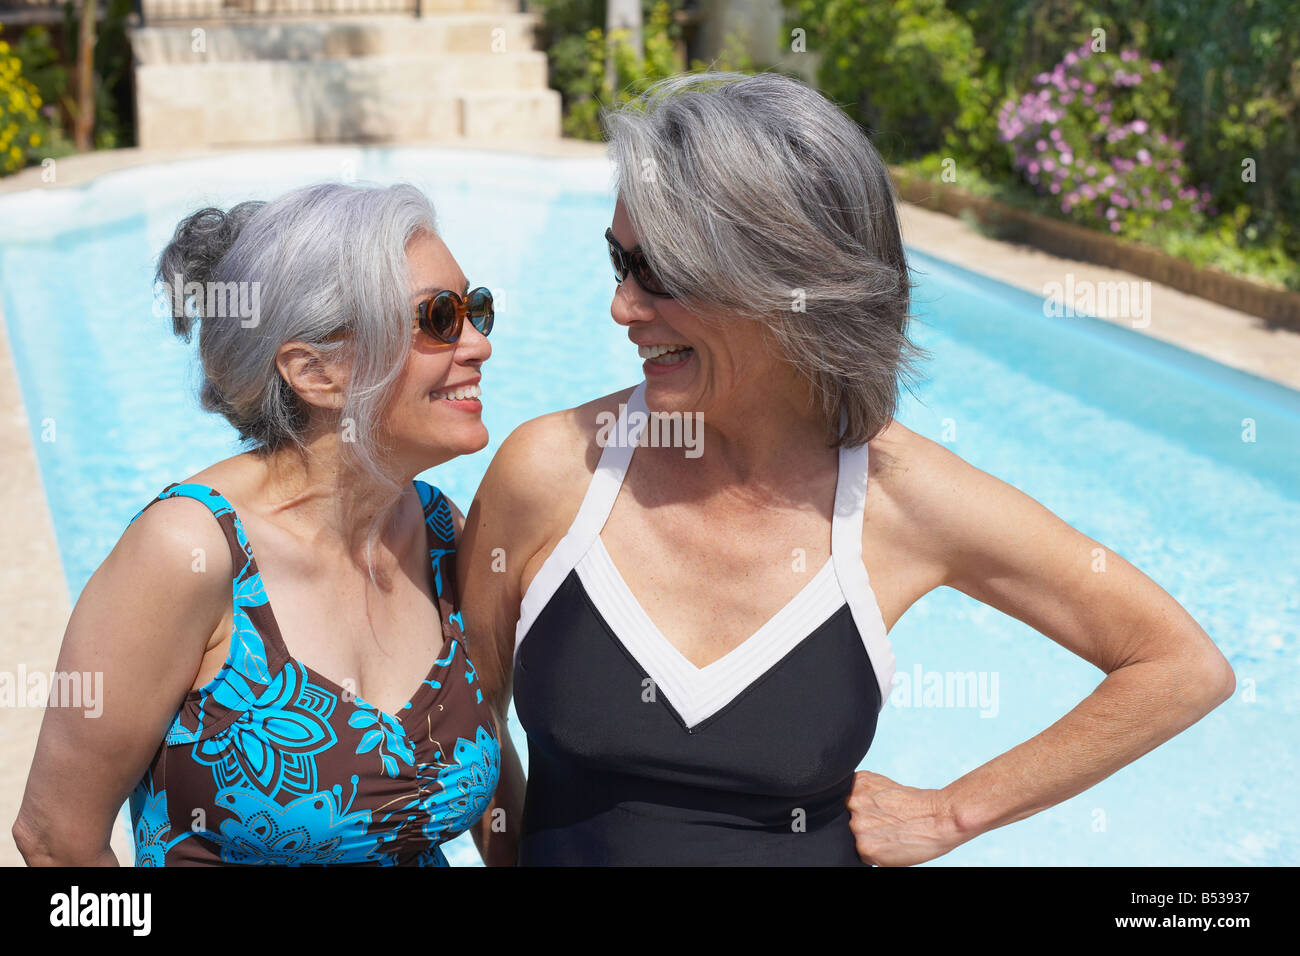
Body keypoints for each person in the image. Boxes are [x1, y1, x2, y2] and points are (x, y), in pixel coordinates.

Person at [458, 72, 1235, 866]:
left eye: (661, 272)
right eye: (619, 262)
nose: (623, 307)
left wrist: (954, 814)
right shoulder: (553, 471)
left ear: (783, 278)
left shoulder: (902, 500)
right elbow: (472, 721)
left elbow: (1179, 665)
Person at [13, 181, 508, 866]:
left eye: (476, 308)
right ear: (316, 371)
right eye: (440, 318)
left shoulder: (438, 532)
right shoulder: (188, 552)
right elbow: (54, 841)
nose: (478, 343)